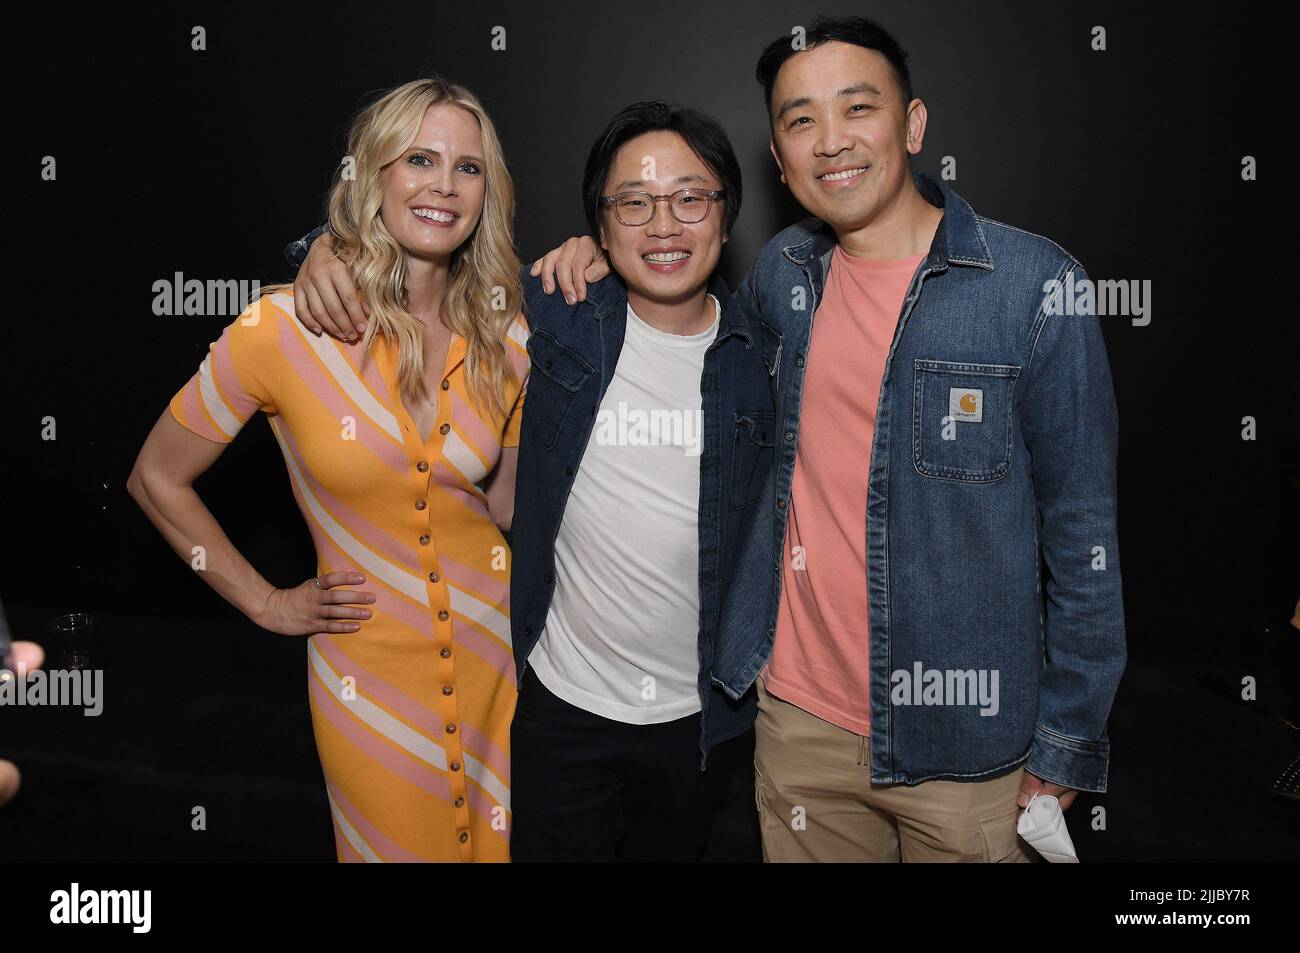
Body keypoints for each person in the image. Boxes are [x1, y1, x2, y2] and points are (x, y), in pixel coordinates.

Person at [535, 15, 1127, 862]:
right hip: (797, 728)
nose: (832, 141)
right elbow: (668, 300)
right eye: (800, 119)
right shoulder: (782, 277)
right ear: (778, 155)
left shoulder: (1035, 288)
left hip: (964, 745)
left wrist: (1070, 736)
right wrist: (592, 254)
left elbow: (1084, 531)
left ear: (913, 124)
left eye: (857, 108)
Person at [290, 101, 776, 861]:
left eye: (690, 197)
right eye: (634, 203)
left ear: (725, 212)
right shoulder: (554, 313)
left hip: (700, 722)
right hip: (558, 709)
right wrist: (323, 247)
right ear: (601, 224)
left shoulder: (765, 356)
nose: (664, 226)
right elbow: (426, 263)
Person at [128, 78, 530, 862]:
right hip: (365, 681)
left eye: (468, 167)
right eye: (419, 158)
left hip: (497, 668)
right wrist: (267, 601)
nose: (444, 185)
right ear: (373, 173)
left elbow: (510, 508)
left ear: (491, 190)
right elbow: (155, 477)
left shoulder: (506, 333)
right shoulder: (280, 329)